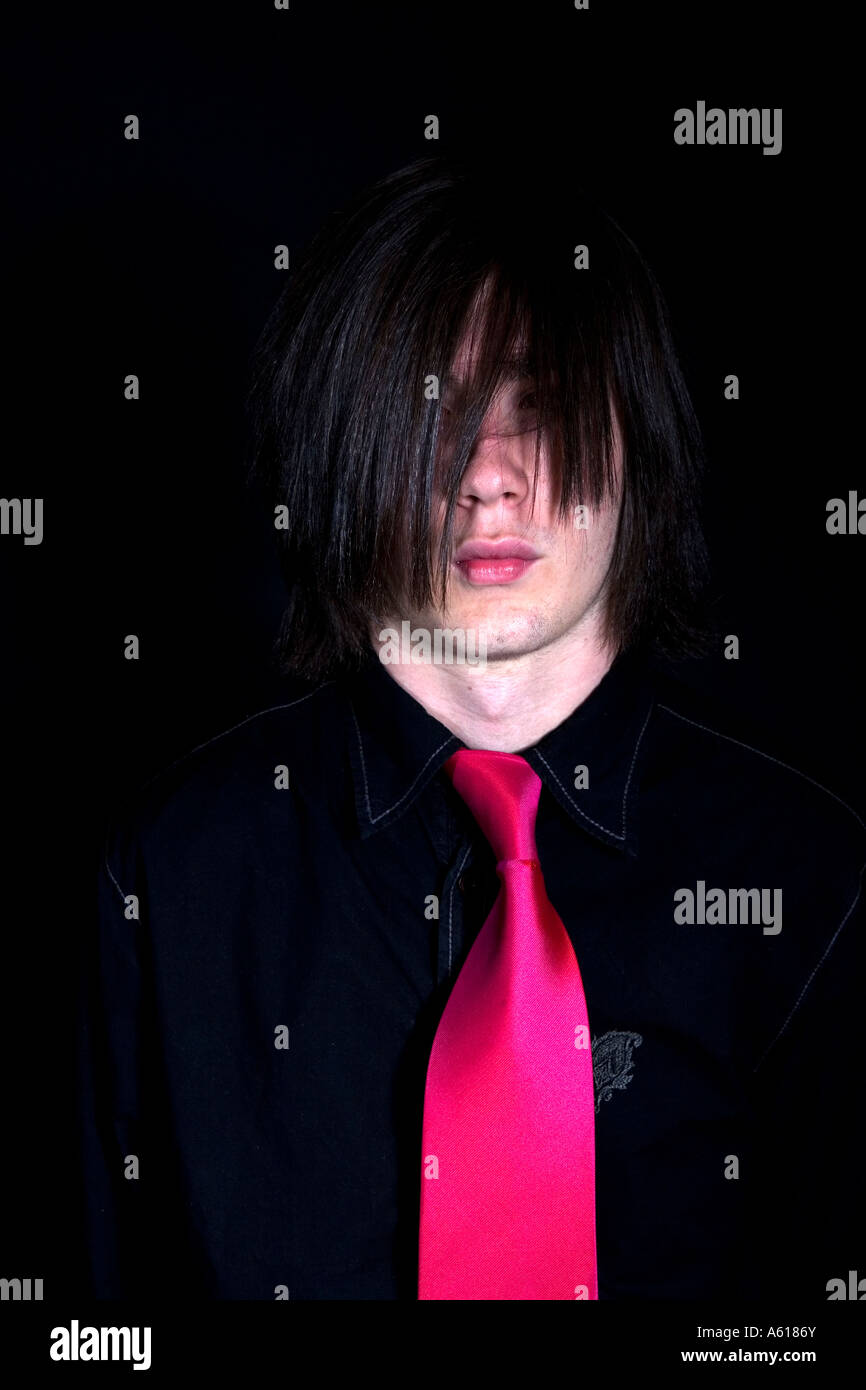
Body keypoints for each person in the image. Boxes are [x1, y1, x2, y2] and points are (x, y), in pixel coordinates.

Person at [79, 152, 864, 1301]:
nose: (488, 477)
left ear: (636, 443)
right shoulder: (168, 876)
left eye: (542, 403)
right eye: (431, 411)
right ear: (338, 452)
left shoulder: (814, 885)